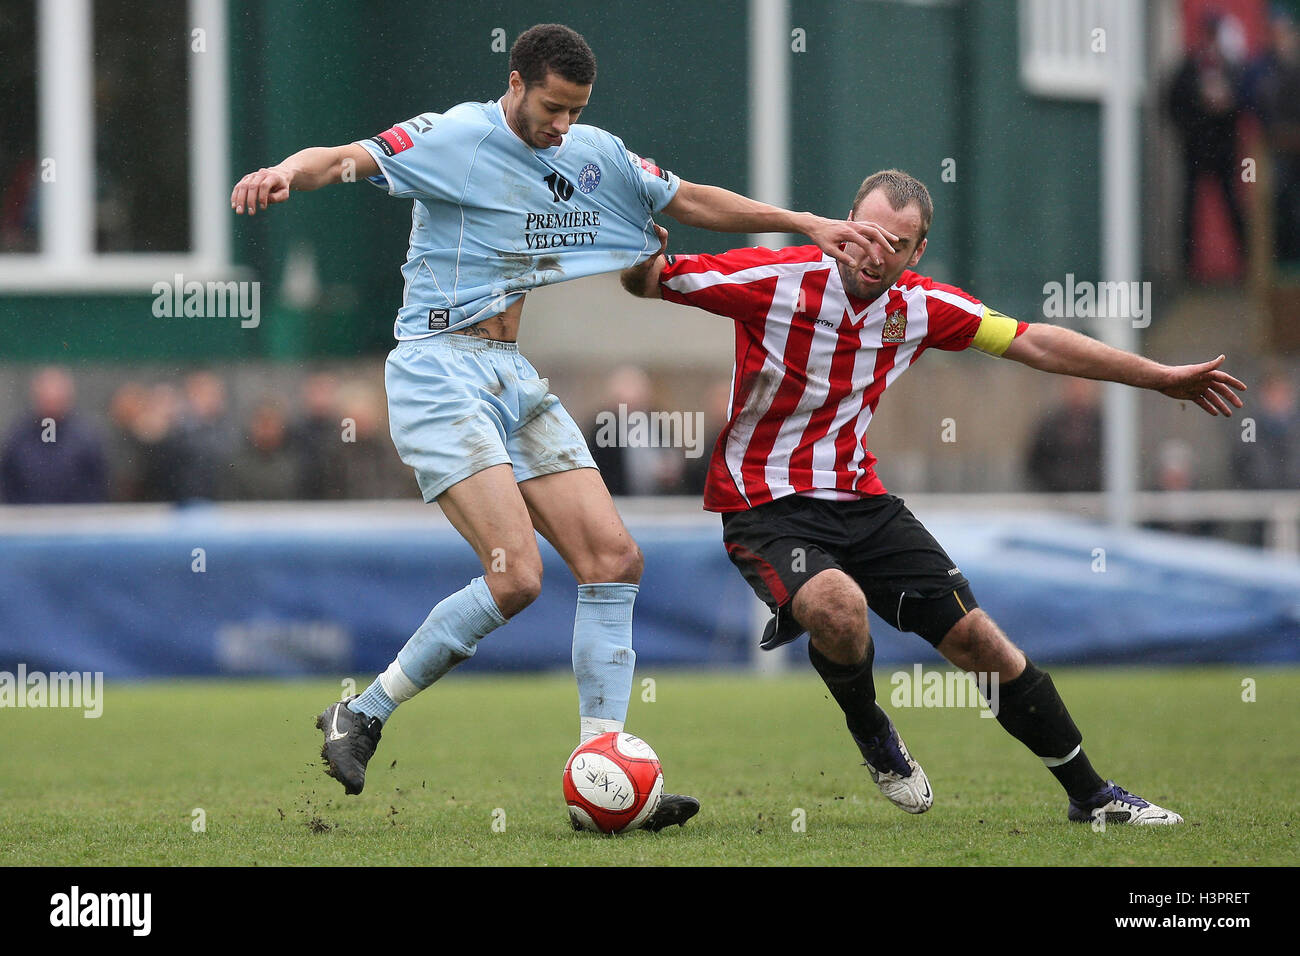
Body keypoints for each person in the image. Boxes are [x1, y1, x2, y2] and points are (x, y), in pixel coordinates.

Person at [230, 23, 890, 831]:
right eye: (551, 108)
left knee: (614, 558)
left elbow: (683, 199)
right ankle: (360, 715)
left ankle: (604, 772)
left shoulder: (591, 151)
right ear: (515, 82)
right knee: (516, 576)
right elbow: (344, 157)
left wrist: (805, 223)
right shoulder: (454, 137)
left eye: (574, 112)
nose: (560, 127)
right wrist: (282, 175)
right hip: (438, 370)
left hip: (512, 375)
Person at [620, 168, 1247, 825]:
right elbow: (656, 280)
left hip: (860, 499)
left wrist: (1159, 377)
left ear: (918, 252)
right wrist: (641, 257)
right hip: (764, 504)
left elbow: (1034, 340)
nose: (875, 252)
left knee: (980, 641)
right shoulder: (776, 280)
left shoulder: (919, 306)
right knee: (838, 605)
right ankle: (874, 734)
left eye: (896, 243)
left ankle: (1092, 797)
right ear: (845, 224)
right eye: (866, 234)